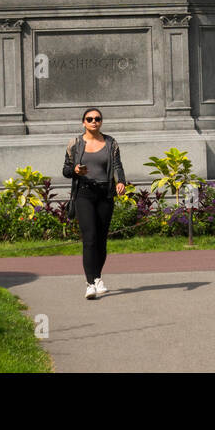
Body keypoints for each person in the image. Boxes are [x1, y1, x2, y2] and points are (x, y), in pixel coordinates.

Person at [63, 107, 126, 299]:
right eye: (89, 119)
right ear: (83, 122)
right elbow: (65, 170)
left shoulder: (110, 142)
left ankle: (98, 277)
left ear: (101, 122)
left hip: (105, 194)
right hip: (84, 194)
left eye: (97, 119)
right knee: (89, 237)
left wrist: (121, 181)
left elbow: (117, 166)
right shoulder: (75, 144)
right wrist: (75, 170)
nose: (93, 122)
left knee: (101, 239)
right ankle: (90, 283)